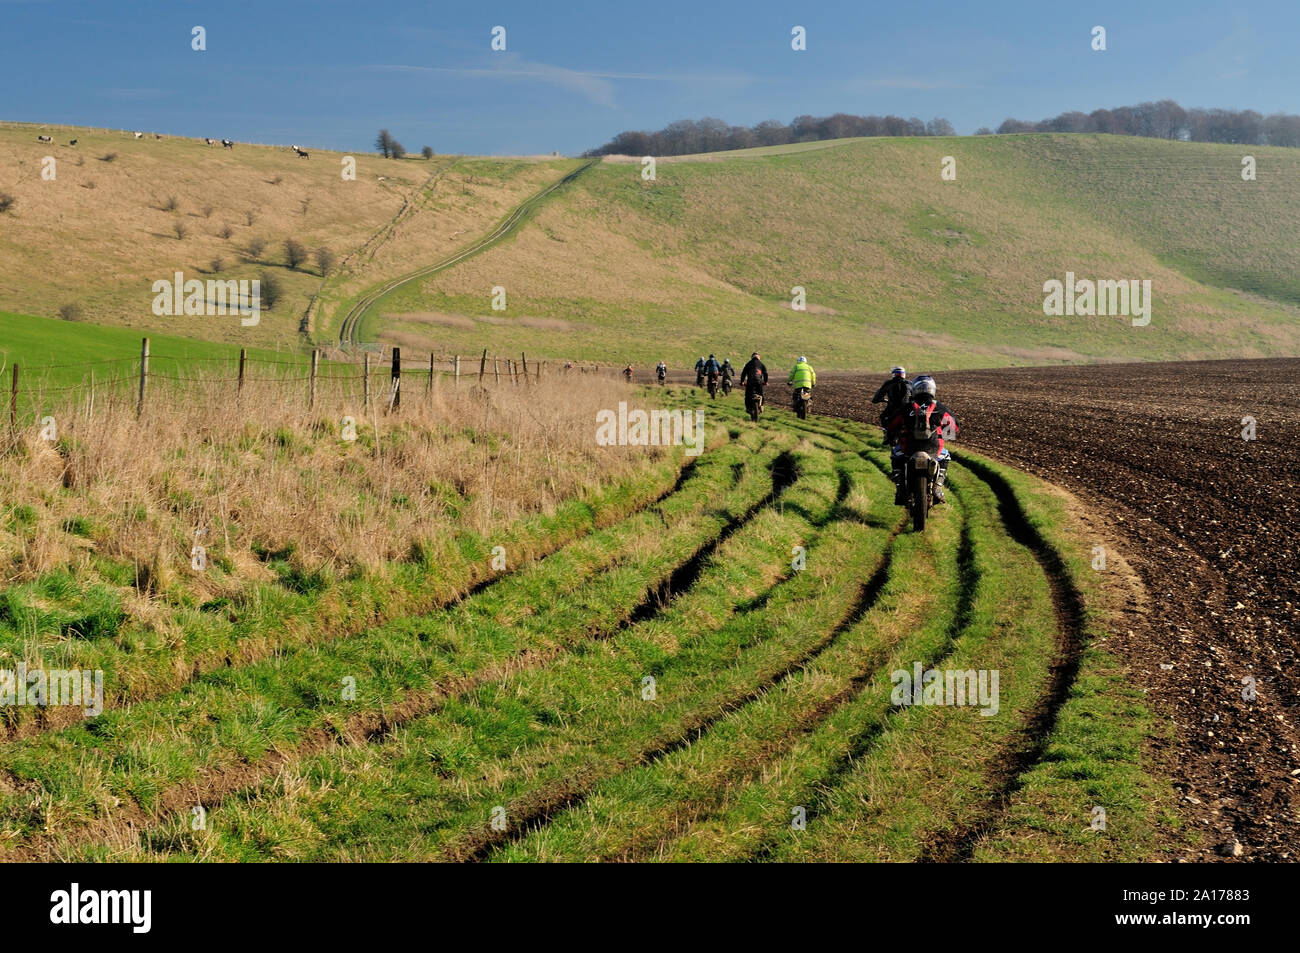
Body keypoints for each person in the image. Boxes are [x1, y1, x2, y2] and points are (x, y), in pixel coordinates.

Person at [886, 376, 959, 505]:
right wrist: (946, 434)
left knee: (895, 455)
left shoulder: (907, 408)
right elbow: (954, 426)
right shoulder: (940, 408)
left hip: (908, 448)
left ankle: (900, 488)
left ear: (915, 390)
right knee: (946, 457)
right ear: (933, 390)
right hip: (934, 449)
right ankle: (937, 487)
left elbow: (890, 424)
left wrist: (894, 432)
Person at [871, 366, 911, 433]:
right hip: (907, 409)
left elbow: (879, 395)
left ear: (893, 374)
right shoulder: (910, 383)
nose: (899, 376)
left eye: (899, 374)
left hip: (893, 408)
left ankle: (886, 432)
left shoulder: (889, 383)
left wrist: (878, 399)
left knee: (883, 417)